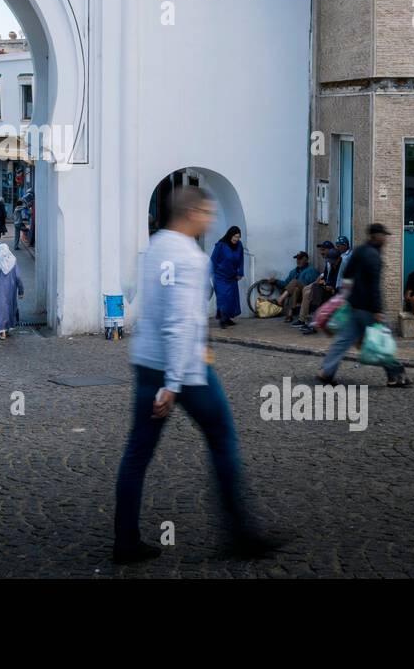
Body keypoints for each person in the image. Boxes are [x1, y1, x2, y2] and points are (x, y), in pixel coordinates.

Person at [113, 186, 281, 565]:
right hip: (184, 370)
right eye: (206, 213)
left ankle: (124, 540)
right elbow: (180, 321)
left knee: (137, 452)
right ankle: (241, 534)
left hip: (148, 360)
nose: (209, 220)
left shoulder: (155, 246)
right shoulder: (189, 257)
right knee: (222, 439)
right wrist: (172, 384)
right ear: (190, 213)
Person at [319, 223, 414, 388]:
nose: (385, 239)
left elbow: (347, 273)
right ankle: (395, 375)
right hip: (368, 309)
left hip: (353, 305)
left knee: (343, 340)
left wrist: (348, 295)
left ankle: (327, 372)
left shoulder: (360, 250)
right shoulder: (373, 255)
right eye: (382, 235)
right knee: (382, 340)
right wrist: (377, 310)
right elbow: (374, 286)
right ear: (374, 236)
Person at [300, 244, 342, 334]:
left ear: (338, 259)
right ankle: (312, 320)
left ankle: (312, 322)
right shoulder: (329, 265)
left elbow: (344, 284)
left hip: (339, 292)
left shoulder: (343, 266)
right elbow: (327, 278)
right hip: (330, 290)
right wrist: (326, 285)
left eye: (333, 261)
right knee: (316, 288)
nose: (331, 263)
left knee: (316, 293)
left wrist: (333, 288)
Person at [0, 241, 24, 338]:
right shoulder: (13, 261)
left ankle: (2, 331)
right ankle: (7, 329)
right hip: (11, 290)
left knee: (0, 309)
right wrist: (21, 291)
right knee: (10, 308)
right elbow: (18, 277)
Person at [210, 226, 245, 327]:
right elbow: (213, 260)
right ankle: (222, 320)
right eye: (235, 236)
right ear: (230, 235)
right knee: (223, 298)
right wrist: (210, 274)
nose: (236, 239)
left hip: (232, 277)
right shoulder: (221, 245)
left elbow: (241, 259)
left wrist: (240, 273)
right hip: (220, 277)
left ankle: (227, 318)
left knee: (231, 299)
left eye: (238, 237)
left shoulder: (239, 245)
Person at [276, 251, 318, 325]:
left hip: (307, 294)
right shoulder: (293, 272)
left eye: (301, 259)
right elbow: (286, 284)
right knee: (295, 289)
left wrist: (298, 283)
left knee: (295, 282)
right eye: (297, 259)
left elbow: (312, 285)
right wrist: (275, 281)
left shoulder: (311, 270)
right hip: (298, 294)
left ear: (306, 260)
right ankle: (290, 314)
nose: (298, 261)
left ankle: (281, 299)